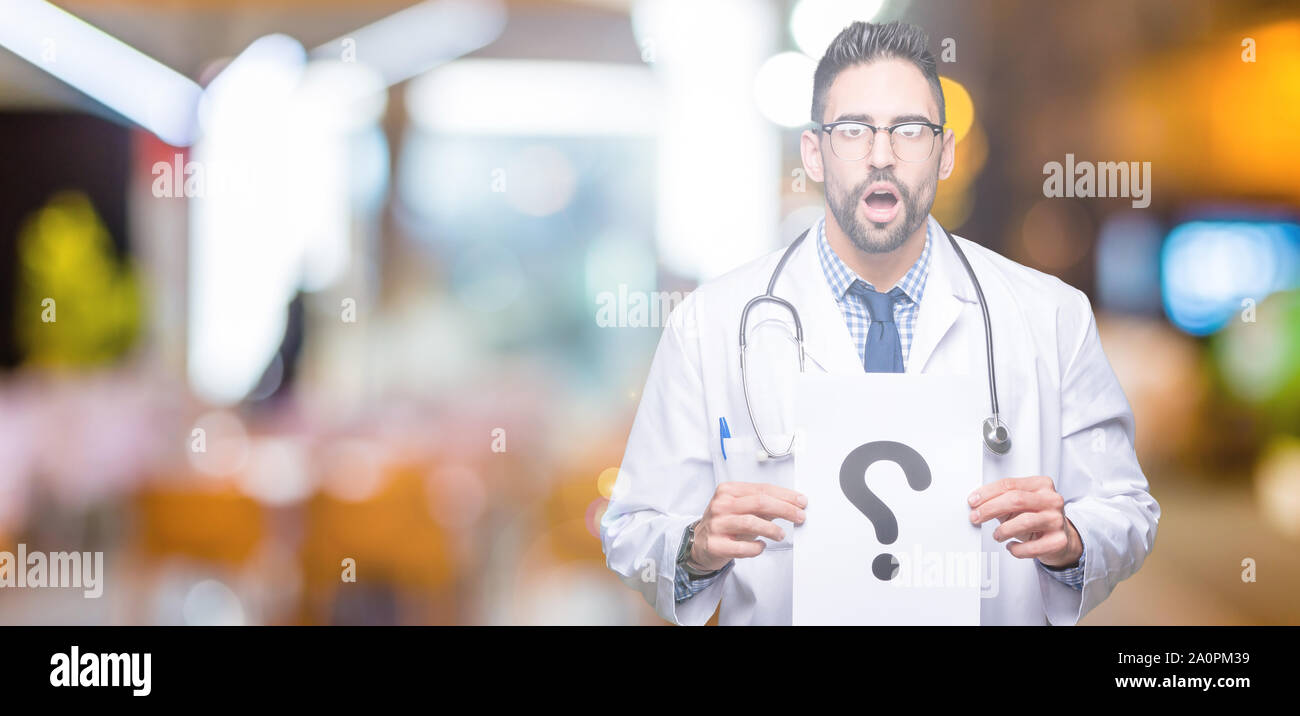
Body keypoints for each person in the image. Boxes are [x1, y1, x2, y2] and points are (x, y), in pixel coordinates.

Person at [600, 20, 1159, 625]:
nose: (882, 155)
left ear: (945, 153)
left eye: (909, 130)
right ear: (814, 154)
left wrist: (1073, 540)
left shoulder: (1052, 315)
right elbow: (633, 529)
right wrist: (695, 546)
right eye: (853, 130)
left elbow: (1126, 507)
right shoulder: (709, 326)